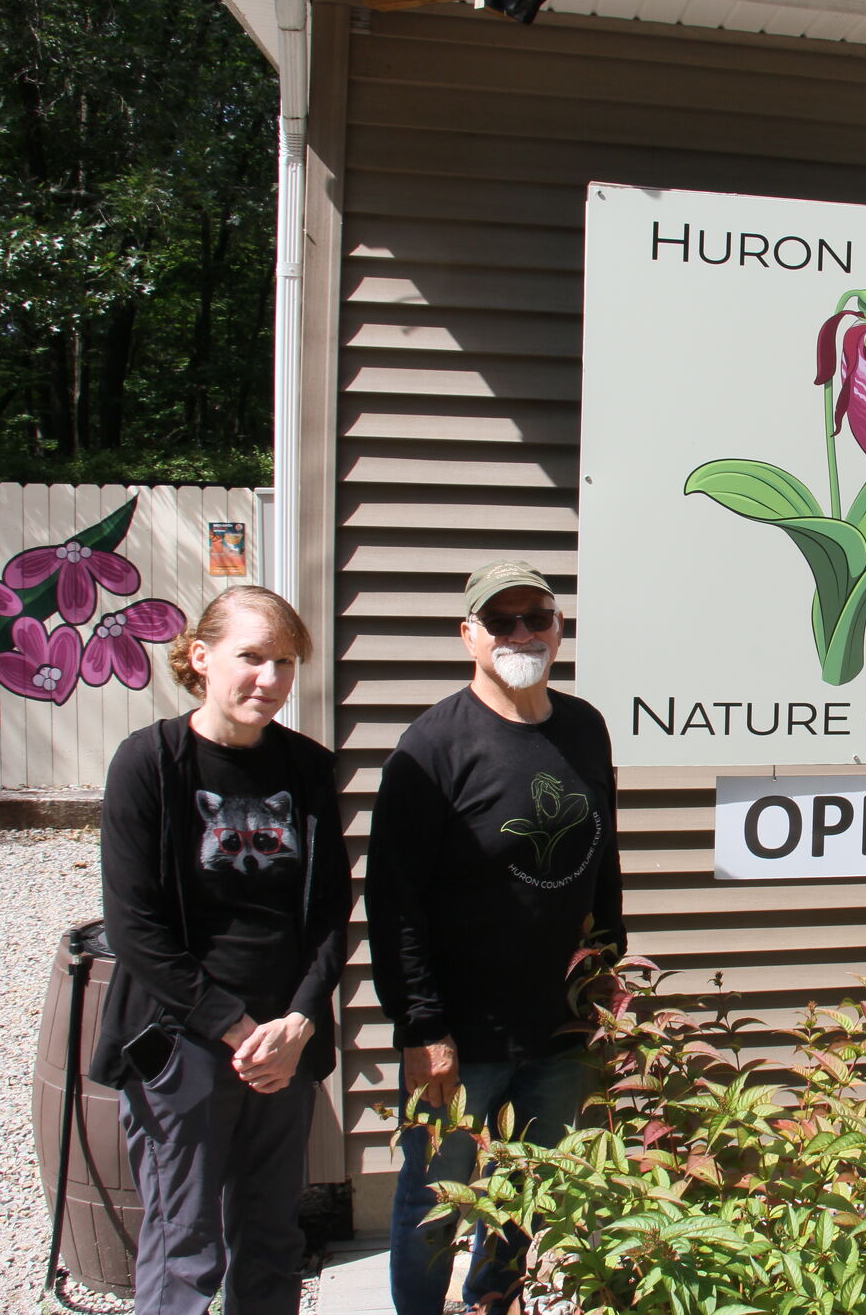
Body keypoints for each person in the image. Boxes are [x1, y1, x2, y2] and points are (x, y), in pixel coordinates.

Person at [368, 559, 624, 1315]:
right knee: (433, 1204)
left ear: (557, 628)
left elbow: (602, 861)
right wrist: (422, 1026)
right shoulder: (432, 747)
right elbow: (394, 901)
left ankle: (491, 1303)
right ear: (468, 635)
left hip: (562, 1025)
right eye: (500, 620)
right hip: (463, 1035)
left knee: (526, 1191)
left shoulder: (584, 727)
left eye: (535, 618)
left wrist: (606, 981)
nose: (521, 632)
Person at [90, 586, 350, 1315]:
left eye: (285, 661)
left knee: (271, 1241)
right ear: (201, 658)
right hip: (184, 1042)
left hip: (284, 1046)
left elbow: (333, 910)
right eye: (252, 657)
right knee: (185, 1250)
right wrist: (236, 1028)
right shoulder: (151, 763)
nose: (269, 679)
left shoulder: (306, 769)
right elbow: (134, 924)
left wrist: (298, 1022)